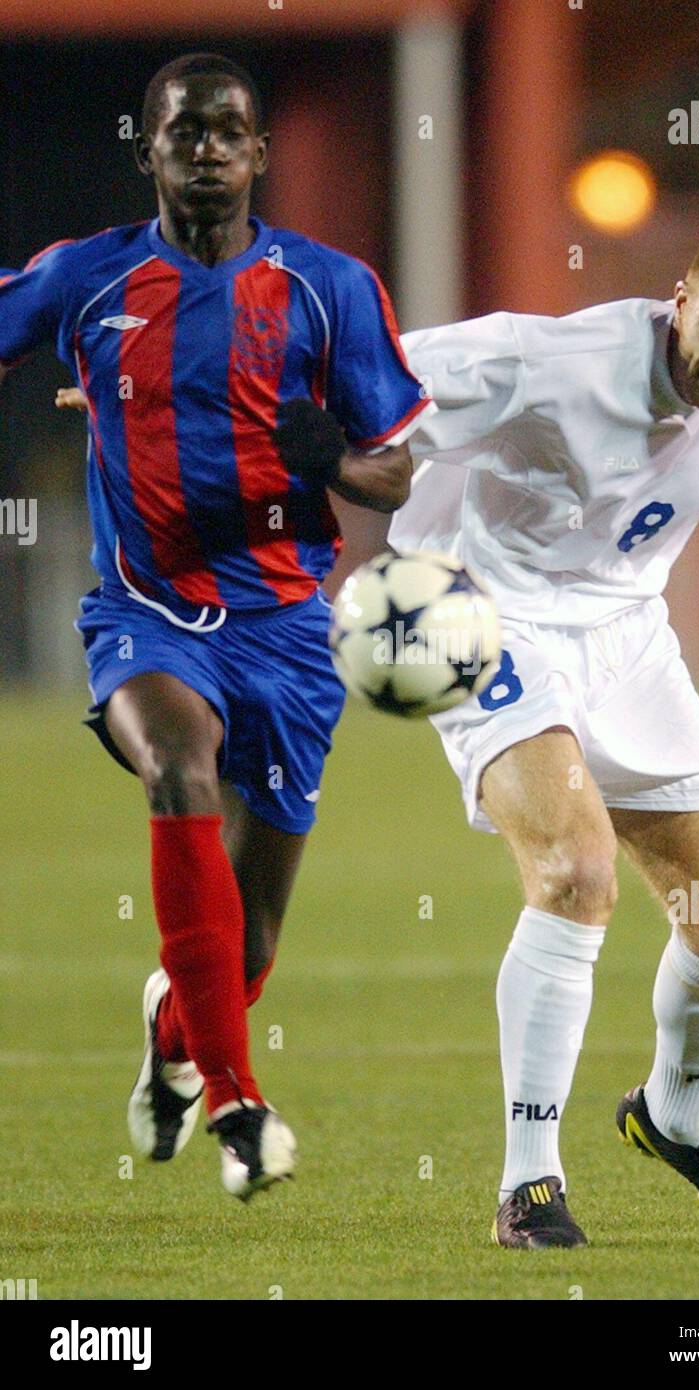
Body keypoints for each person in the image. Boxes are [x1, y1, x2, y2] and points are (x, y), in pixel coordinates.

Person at [0, 52, 433, 1202]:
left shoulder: (329, 288)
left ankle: (177, 1037)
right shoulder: (85, 279)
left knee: (243, 951)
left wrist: (330, 458)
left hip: (289, 630)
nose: (205, 150)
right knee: (178, 769)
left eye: (226, 132)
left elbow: (394, 472)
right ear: (147, 150)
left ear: (260, 153)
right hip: (147, 614)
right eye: (181, 132)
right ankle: (240, 1105)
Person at [388, 219, 699, 1247]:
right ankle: (528, 1184)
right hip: (481, 614)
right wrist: (184, 408)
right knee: (576, 871)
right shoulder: (547, 361)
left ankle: (675, 1118)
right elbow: (366, 374)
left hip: (626, 630)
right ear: (678, 297)